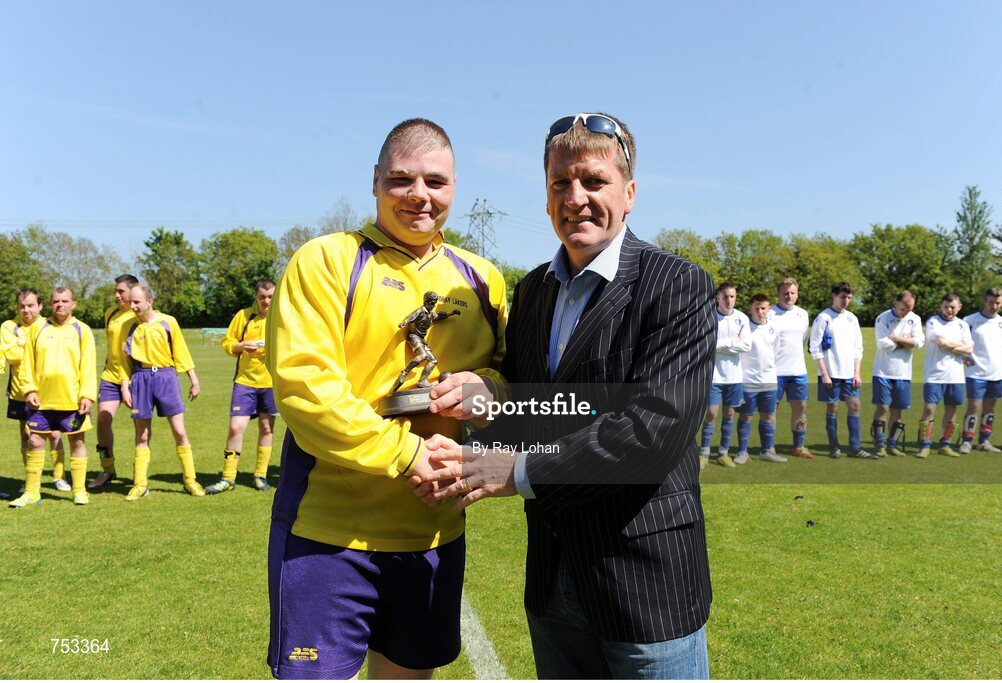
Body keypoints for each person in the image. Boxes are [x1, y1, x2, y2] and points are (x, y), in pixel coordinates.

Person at [414, 112, 715, 679]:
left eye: (594, 182)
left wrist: (520, 471)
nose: (576, 197)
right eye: (560, 184)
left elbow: (654, 431)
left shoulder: (676, 284)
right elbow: (534, 415)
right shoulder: (531, 293)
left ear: (629, 194)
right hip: (554, 582)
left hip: (645, 585)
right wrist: (487, 400)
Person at [264, 118, 508, 680]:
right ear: (375, 181)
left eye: (435, 182)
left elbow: (511, 384)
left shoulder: (482, 280)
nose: (419, 196)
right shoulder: (324, 261)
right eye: (402, 180)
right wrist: (406, 454)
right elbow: (306, 391)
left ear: (454, 187)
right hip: (327, 534)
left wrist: (487, 390)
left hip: (434, 533)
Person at [9, 288, 96, 508]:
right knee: (34, 440)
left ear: (73, 304)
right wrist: (29, 389)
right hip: (42, 401)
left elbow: (88, 365)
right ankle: (31, 492)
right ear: (50, 304)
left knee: (76, 441)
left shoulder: (82, 330)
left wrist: (87, 394)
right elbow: (27, 363)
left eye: (64, 301)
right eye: (56, 301)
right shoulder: (37, 329)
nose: (60, 305)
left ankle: (79, 490)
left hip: (73, 400)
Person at [118, 284, 204, 500]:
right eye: (131, 302)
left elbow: (181, 351)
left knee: (179, 431)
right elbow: (124, 360)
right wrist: (124, 386)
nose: (133, 306)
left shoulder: (168, 322)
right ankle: (140, 484)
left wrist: (193, 379)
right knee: (142, 434)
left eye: (137, 302)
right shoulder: (127, 326)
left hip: (166, 377)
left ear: (150, 301)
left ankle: (190, 480)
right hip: (140, 378)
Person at [206, 280, 278, 494]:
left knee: (266, 428)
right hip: (244, 382)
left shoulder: (281, 316)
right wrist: (240, 346)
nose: (266, 301)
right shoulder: (244, 316)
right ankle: (228, 478)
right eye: (262, 296)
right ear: (255, 297)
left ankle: (260, 475)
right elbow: (228, 342)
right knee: (236, 427)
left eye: (270, 296)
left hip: (271, 382)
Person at [2, 288, 67, 492]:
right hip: (21, 391)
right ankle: (31, 480)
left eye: (31, 305)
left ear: (40, 306)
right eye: (22, 306)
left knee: (55, 434)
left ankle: (59, 477)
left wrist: (23, 345)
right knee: (27, 435)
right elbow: (11, 354)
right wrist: (26, 347)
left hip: (49, 390)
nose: (26, 310)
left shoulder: (49, 326)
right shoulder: (8, 327)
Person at [809, 282, 874, 459]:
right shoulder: (823, 318)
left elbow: (858, 348)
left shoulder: (852, 318)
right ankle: (834, 446)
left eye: (849, 298)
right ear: (834, 295)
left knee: (855, 405)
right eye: (842, 297)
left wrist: (857, 372)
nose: (846, 301)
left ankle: (855, 447)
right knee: (833, 408)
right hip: (831, 374)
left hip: (849, 373)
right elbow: (814, 348)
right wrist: (824, 374)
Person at [89, 273, 140, 489]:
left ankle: (140, 475)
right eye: (116, 291)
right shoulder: (110, 314)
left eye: (121, 291)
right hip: (110, 376)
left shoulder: (141, 314)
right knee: (102, 420)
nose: (116, 295)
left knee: (140, 424)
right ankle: (107, 469)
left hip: (136, 377)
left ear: (133, 290)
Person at [699, 281, 750, 468]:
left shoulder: (742, 318)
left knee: (729, 414)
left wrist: (720, 345)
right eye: (725, 296)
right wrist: (731, 342)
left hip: (734, 377)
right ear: (717, 298)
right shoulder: (709, 317)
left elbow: (746, 345)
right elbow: (707, 345)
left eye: (732, 297)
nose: (729, 300)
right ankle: (704, 453)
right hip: (714, 376)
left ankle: (723, 453)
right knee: (711, 414)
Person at [961, 288, 1002, 453]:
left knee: (990, 409)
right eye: (991, 302)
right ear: (985, 301)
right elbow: (960, 341)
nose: (994, 306)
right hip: (975, 373)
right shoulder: (969, 320)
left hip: (997, 374)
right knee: (974, 407)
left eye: (998, 303)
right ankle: (967, 441)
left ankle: (984, 441)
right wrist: (965, 356)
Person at [917, 293, 973, 458]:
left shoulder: (962, 325)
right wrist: (959, 347)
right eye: (946, 307)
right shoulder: (934, 322)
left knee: (952, 410)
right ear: (941, 306)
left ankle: (945, 444)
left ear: (959, 307)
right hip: (934, 374)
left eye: (952, 307)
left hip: (955, 375)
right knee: (929, 408)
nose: (949, 310)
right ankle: (925, 445)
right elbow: (941, 343)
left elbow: (969, 349)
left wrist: (951, 346)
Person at [870, 290, 924, 457]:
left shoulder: (914, 319)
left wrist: (896, 338)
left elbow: (919, 342)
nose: (906, 312)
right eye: (903, 309)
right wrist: (906, 341)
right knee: (883, 407)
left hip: (903, 373)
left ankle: (892, 445)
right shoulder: (883, 318)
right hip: (882, 371)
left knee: (897, 410)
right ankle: (879, 444)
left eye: (909, 309)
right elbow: (883, 345)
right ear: (895, 302)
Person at [737, 294, 787, 463]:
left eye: (763, 308)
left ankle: (767, 451)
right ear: (750, 308)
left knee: (768, 416)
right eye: (757, 308)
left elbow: (777, 351)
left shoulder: (774, 327)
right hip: (748, 380)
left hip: (769, 380)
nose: (760, 312)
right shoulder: (744, 327)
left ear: (769, 309)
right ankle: (742, 453)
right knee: (746, 416)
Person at [770, 278, 815, 458]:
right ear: (778, 294)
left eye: (793, 293)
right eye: (785, 293)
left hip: (798, 371)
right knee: (771, 410)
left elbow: (803, 341)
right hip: (774, 372)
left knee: (800, 408)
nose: (789, 296)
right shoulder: (770, 313)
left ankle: (799, 446)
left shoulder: (803, 314)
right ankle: (769, 447)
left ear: (797, 294)